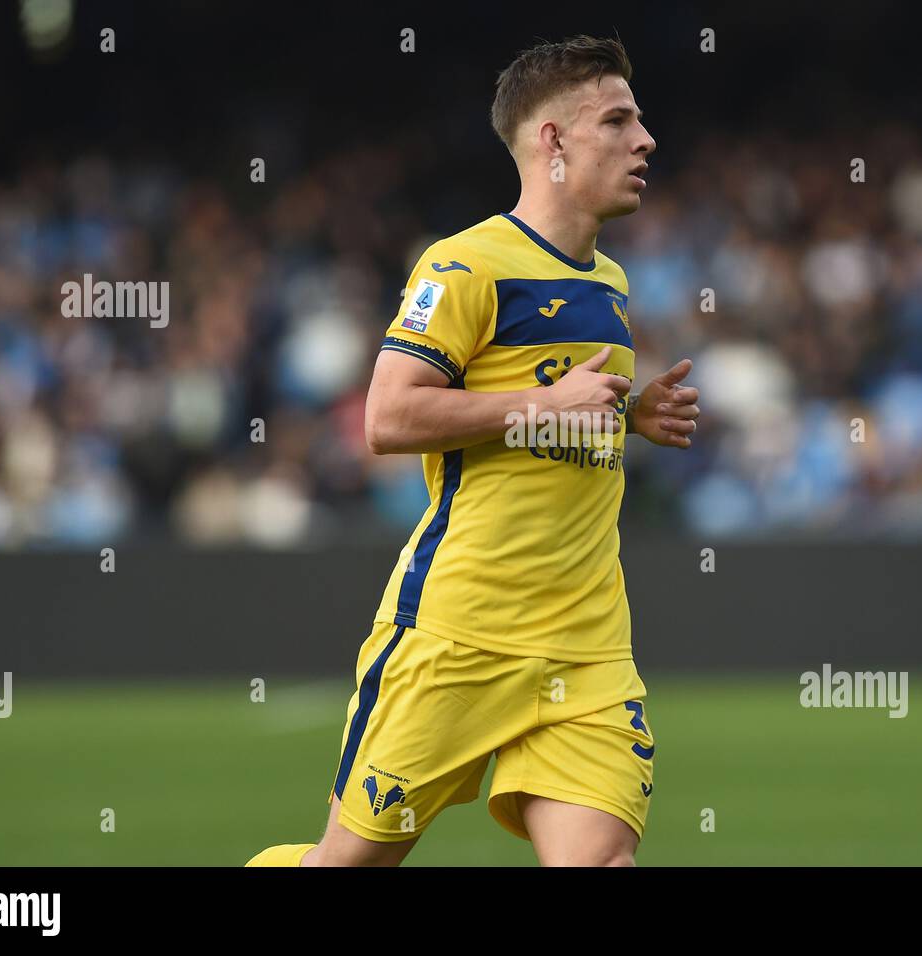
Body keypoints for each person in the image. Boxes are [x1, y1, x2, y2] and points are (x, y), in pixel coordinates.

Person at [248, 34, 699, 867]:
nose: (646, 140)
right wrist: (548, 402)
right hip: (461, 630)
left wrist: (627, 416)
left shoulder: (611, 283)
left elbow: (551, 415)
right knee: (350, 863)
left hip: (585, 638)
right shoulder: (463, 265)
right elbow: (387, 418)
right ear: (553, 142)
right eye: (618, 120)